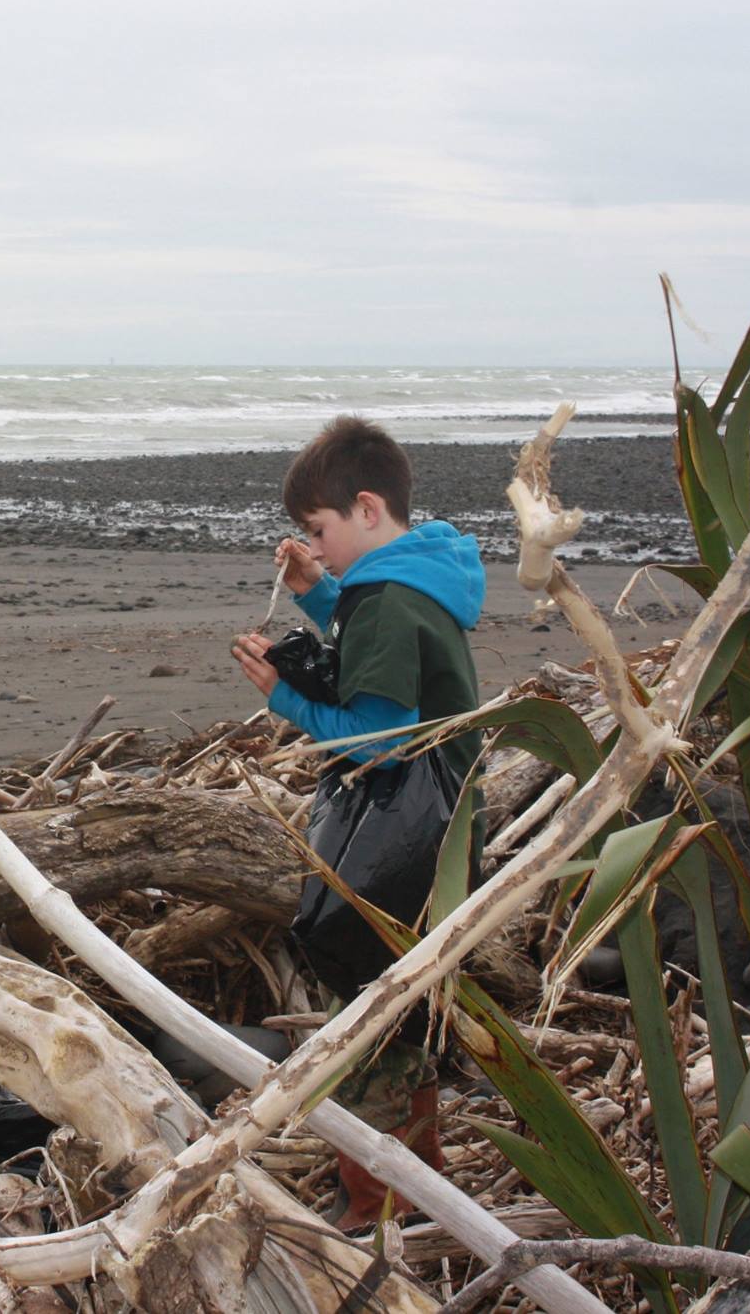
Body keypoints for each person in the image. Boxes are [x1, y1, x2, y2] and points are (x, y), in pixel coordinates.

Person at [228, 416, 484, 1230]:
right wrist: (316, 589)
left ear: (366, 509)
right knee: (408, 1011)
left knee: (369, 1015)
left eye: (320, 530)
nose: (316, 544)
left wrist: (284, 697)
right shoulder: (424, 577)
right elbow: (386, 635)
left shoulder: (382, 603)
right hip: (447, 833)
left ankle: (374, 1209)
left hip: (398, 846)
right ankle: (422, 1187)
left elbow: (379, 743)